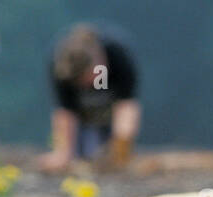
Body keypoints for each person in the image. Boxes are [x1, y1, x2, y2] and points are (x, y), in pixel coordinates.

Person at [39, 22, 141, 172]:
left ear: (99, 61)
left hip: (111, 107)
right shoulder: (60, 63)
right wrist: (63, 153)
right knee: (85, 155)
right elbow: (65, 111)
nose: (87, 85)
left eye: (88, 78)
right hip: (83, 114)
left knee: (113, 154)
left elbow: (126, 106)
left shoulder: (118, 54)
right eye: (79, 81)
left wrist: (121, 147)